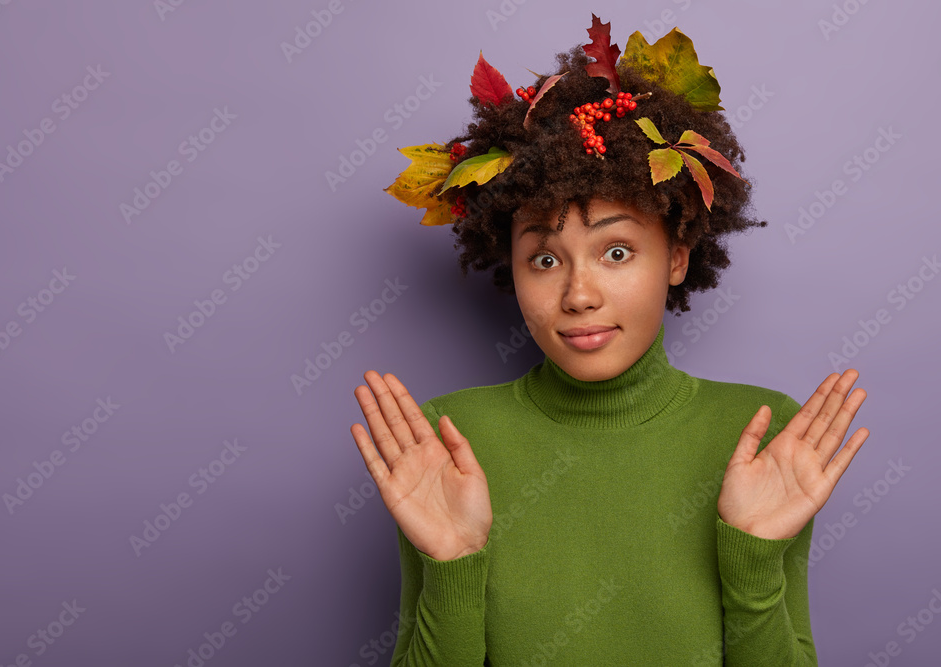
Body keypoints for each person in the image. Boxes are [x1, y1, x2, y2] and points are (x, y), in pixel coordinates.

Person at [350, 16, 869, 665]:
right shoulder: (447, 442)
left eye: (616, 251)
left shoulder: (764, 434)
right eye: (544, 259)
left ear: (677, 255)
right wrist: (454, 566)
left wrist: (753, 564)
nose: (578, 293)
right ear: (506, 264)